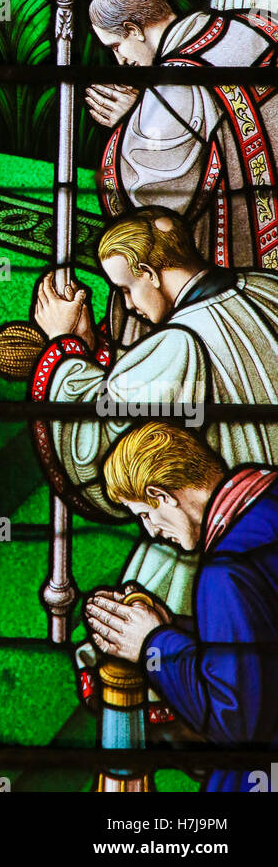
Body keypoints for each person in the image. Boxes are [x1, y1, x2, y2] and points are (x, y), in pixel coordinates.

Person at [31, 209, 278, 618]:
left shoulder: (181, 341)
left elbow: (99, 439)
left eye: (127, 289)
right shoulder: (265, 289)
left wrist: (64, 347)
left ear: (149, 272)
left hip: (229, 542)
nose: (128, 306)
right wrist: (98, 352)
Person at [87, 421, 278, 793]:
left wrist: (152, 644)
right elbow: (262, 643)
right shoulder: (268, 504)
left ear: (162, 494)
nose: (152, 531)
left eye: (144, 514)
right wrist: (173, 626)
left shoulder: (226, 570)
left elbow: (234, 720)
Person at [85, 0, 278, 301]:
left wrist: (130, 121)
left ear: (134, 29)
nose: (121, 62)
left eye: (116, 47)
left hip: (241, 252)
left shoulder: (175, 84)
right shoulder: (248, 25)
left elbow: (153, 196)